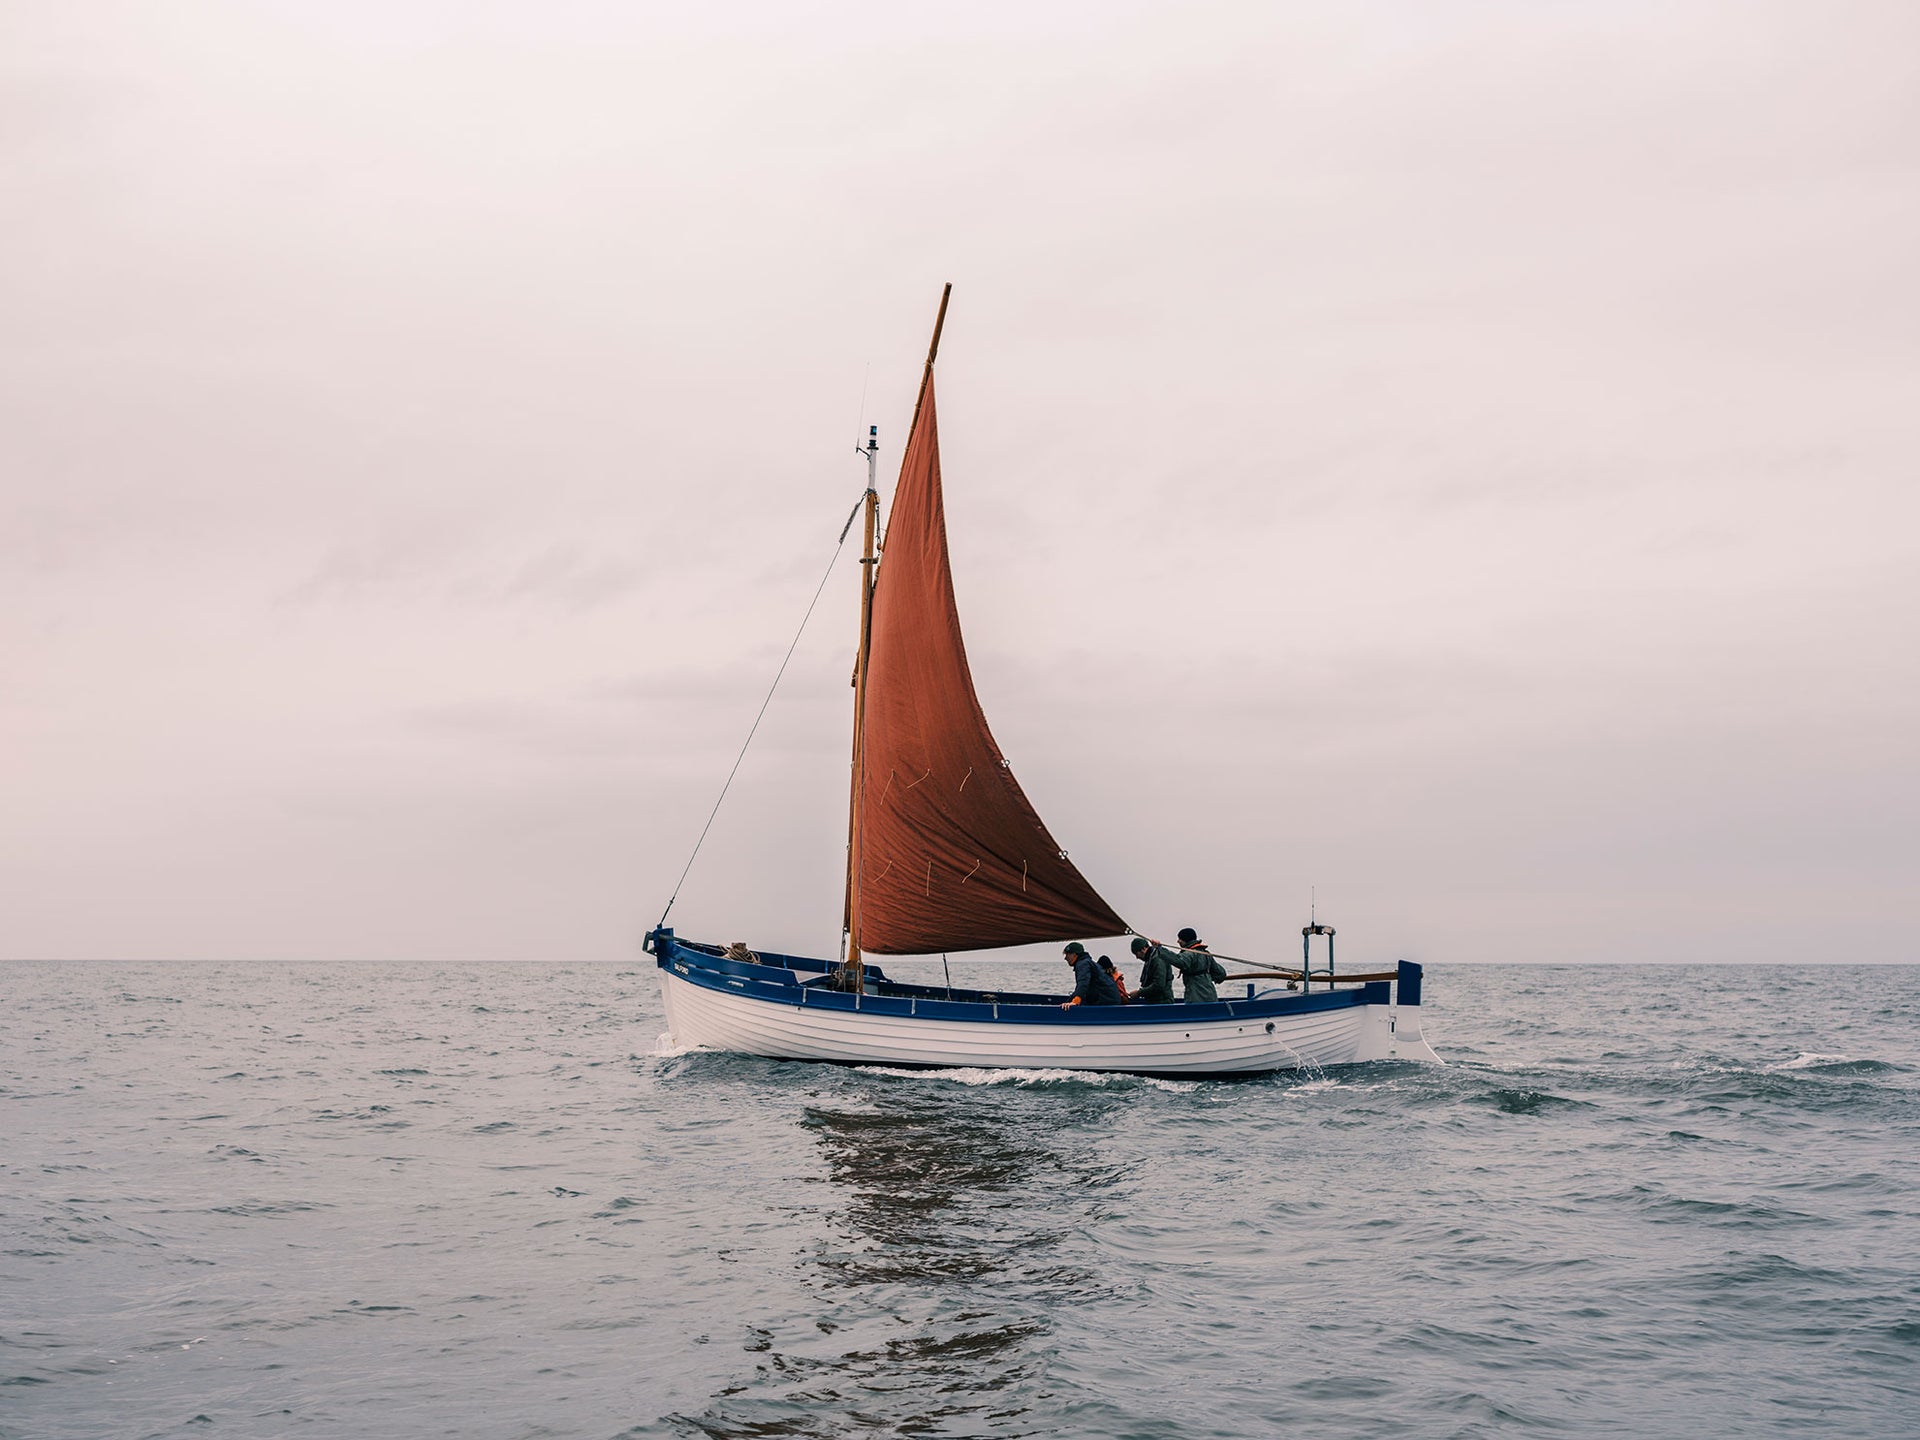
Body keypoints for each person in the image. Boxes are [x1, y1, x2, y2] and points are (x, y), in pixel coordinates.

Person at [1171, 927, 1227, 1004]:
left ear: (1186, 939)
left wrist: (1160, 950)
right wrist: (1207, 978)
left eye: (1180, 939)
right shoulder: (1206, 953)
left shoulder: (1189, 954)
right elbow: (1221, 974)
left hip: (1195, 998)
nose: (1178, 941)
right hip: (1211, 996)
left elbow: (1179, 961)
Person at [1059, 941, 1122, 1009]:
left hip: (1106, 1004)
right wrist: (1069, 1001)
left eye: (1067, 955)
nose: (1065, 958)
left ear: (1074, 954)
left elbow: (1083, 983)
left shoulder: (1083, 964)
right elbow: (1081, 988)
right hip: (1113, 1001)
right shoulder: (1088, 963)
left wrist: (1075, 1001)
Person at [1129, 936, 1178, 1005]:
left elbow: (1159, 985)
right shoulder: (1150, 959)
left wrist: (1139, 993)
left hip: (1162, 1003)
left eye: (1136, 954)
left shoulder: (1157, 960)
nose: (1137, 957)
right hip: (1155, 1001)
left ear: (1143, 949)